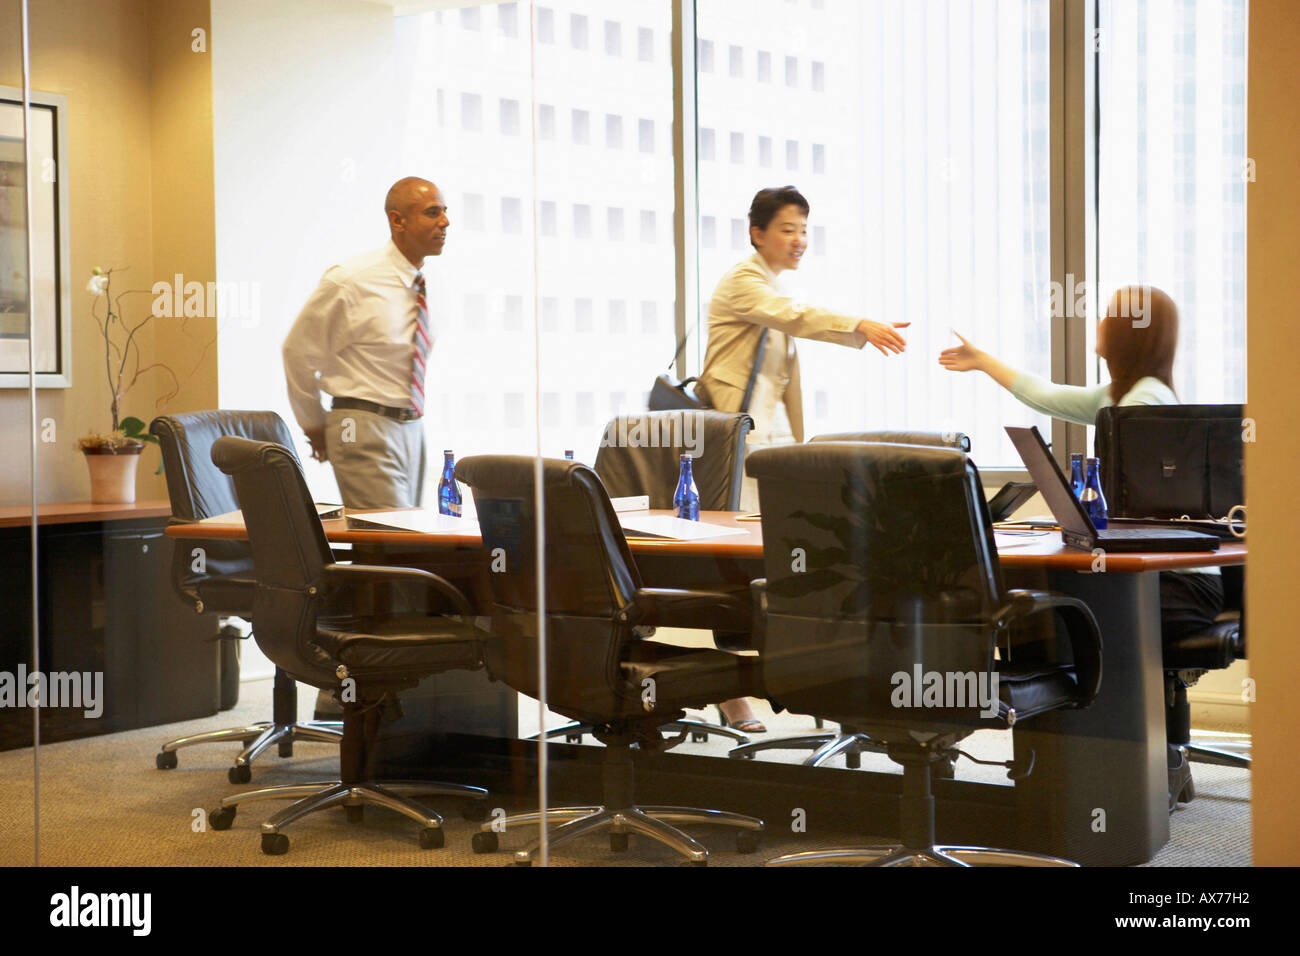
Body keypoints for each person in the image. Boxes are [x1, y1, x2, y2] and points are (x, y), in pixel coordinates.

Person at [939, 285, 1223, 807]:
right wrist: (983, 362)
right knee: (1050, 601)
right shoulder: (1120, 399)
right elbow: (1043, 394)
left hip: (1181, 581)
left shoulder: (1145, 404)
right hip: (1156, 571)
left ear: (1124, 334)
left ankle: (1128, 765)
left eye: (1103, 321)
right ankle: (1056, 771)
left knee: (1060, 612)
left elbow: (1149, 513)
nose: (1095, 328)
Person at [697, 185, 909, 732]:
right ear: (757, 233)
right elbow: (795, 315)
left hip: (767, 446)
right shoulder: (745, 282)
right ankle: (732, 688)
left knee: (779, 562)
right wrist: (859, 324)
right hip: (736, 445)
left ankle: (799, 679)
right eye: (788, 229)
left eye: (805, 229)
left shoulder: (766, 283)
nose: (799, 240)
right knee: (739, 567)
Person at [282, 177, 450, 509]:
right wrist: (315, 425)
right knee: (392, 540)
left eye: (444, 212)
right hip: (359, 425)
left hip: (412, 427)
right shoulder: (350, 280)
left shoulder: (430, 285)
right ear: (397, 220)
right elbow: (297, 353)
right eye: (432, 213)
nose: (445, 222)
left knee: (411, 541)